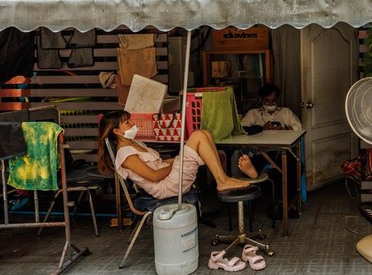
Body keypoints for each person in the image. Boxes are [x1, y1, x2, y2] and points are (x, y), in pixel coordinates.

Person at [97, 110, 258, 200]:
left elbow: (159, 162)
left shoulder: (135, 144)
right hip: (165, 187)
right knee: (198, 137)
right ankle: (222, 180)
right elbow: (154, 176)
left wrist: (175, 160)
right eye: (127, 123)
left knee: (205, 134)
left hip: (169, 176)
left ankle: (226, 177)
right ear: (117, 131)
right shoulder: (125, 154)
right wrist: (176, 162)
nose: (133, 124)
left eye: (130, 120)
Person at [238, 83, 302, 219]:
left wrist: (283, 129)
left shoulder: (286, 112)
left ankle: (283, 204)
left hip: (280, 152)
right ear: (261, 100)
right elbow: (241, 130)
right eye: (267, 101)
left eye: (273, 100)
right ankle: (250, 203)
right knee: (247, 169)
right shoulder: (253, 114)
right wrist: (261, 128)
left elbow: (299, 128)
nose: (271, 103)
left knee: (295, 167)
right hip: (260, 153)